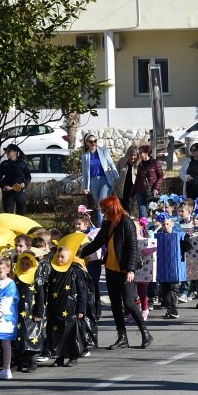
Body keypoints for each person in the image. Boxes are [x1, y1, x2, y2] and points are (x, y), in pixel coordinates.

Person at [79, 195, 153, 350]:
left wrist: (131, 269)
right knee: (115, 305)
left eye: (104, 209)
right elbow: (97, 243)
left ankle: (145, 333)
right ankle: (122, 337)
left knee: (129, 303)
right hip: (111, 269)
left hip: (125, 269)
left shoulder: (126, 222)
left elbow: (133, 247)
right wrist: (80, 253)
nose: (103, 212)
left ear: (112, 208)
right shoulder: (107, 224)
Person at [45, 245, 88, 367]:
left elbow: (82, 291)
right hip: (56, 309)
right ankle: (59, 357)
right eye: (57, 256)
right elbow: (50, 290)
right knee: (57, 334)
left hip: (72, 310)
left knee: (71, 335)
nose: (59, 259)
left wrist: (81, 309)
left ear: (70, 257)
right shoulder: (54, 270)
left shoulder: (76, 271)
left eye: (62, 257)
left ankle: (74, 357)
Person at [81, 134, 119, 226]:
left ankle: (102, 227)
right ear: (87, 143)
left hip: (105, 180)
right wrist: (85, 187)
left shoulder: (103, 151)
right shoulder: (85, 156)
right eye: (91, 142)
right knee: (101, 207)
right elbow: (85, 173)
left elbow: (111, 164)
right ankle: (106, 224)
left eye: (95, 141)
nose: (93, 143)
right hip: (93, 182)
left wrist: (117, 178)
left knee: (101, 203)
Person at [0, 144, 31, 215]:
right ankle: (9, 226)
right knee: (8, 214)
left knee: (21, 213)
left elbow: (28, 177)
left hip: (19, 192)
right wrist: (4, 186)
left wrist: (24, 183)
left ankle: (20, 226)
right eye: (6, 151)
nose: (7, 153)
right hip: (8, 193)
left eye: (9, 151)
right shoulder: (4, 164)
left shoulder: (22, 163)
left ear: (15, 152)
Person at [133, 144, 164, 220]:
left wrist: (156, 188)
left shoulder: (155, 163)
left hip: (151, 190)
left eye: (141, 152)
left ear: (147, 153)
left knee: (153, 212)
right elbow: (137, 179)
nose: (139, 154)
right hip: (140, 190)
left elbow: (161, 176)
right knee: (142, 213)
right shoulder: (140, 164)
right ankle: (143, 230)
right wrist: (132, 192)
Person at [114, 145, 140, 215]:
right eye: (130, 155)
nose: (132, 157)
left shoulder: (139, 164)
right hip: (122, 190)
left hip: (132, 190)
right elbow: (116, 174)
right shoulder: (122, 161)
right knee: (121, 209)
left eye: (134, 155)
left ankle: (131, 223)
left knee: (129, 208)